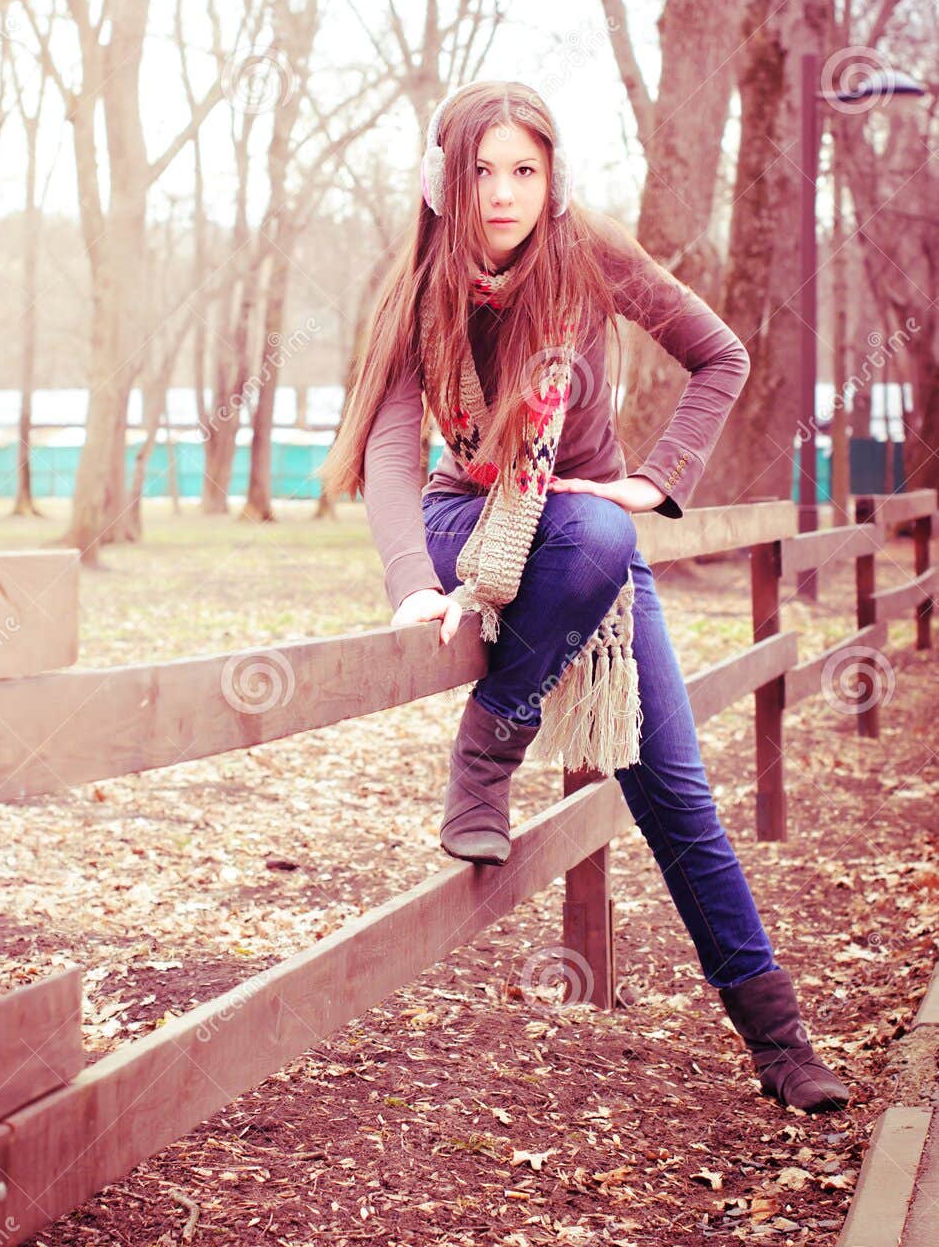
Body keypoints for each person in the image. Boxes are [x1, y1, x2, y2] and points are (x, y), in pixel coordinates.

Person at [320, 80, 849, 1114]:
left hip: (591, 547)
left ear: (552, 178)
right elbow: (390, 447)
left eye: (525, 170)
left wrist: (654, 480)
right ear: (444, 180)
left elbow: (718, 354)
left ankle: (779, 1039)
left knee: (678, 793)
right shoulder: (418, 282)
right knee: (592, 532)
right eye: (482, 171)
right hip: (463, 519)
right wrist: (409, 588)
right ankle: (487, 761)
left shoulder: (588, 252)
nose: (504, 193)